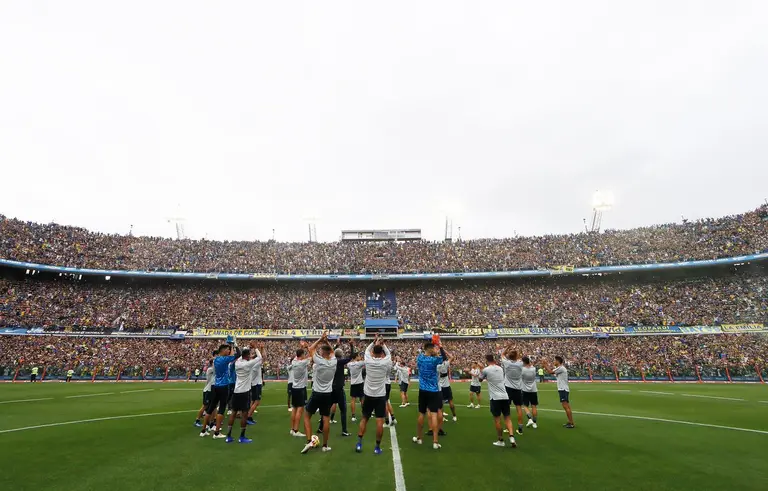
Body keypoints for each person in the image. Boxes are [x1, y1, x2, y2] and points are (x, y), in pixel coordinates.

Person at [356, 336, 393, 455]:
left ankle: (359, 443)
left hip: (368, 394)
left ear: (373, 352)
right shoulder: (385, 361)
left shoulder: (368, 360)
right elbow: (388, 354)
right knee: (379, 421)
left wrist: (374, 342)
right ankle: (377, 447)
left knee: (364, 418)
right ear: (381, 353)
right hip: (380, 395)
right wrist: (383, 344)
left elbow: (367, 350)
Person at [301, 332, 337, 454]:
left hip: (317, 392)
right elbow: (332, 351)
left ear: (324, 353)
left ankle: (308, 441)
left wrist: (321, 339)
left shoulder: (319, 361)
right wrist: (326, 342)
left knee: (307, 416)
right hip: (327, 394)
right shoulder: (334, 361)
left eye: (321, 351)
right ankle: (325, 445)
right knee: (326, 418)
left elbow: (311, 348)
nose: (320, 352)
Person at [413, 341, 448, 450]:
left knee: (421, 413)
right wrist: (440, 348)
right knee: (433, 415)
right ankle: (435, 442)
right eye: (433, 348)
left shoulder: (420, 358)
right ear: (430, 349)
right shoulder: (434, 360)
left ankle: (419, 438)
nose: (434, 349)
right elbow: (444, 358)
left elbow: (420, 353)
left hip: (422, 390)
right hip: (433, 390)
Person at [200, 344, 240, 438]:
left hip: (215, 386)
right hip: (224, 386)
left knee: (210, 408)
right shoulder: (224, 359)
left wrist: (230, 347)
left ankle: (203, 430)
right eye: (227, 350)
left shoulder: (216, 359)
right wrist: (234, 345)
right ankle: (216, 433)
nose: (229, 351)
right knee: (221, 409)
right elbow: (238, 354)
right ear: (223, 350)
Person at [223, 347, 262, 443]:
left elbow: (240, 356)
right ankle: (242, 437)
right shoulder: (248, 364)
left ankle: (228, 436)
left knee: (233, 413)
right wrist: (256, 348)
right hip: (245, 392)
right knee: (244, 414)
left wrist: (239, 348)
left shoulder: (237, 363)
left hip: (236, 391)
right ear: (247, 356)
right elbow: (260, 357)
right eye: (249, 355)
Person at [479, 354, 517, 448]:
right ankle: (511, 437)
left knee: (497, 419)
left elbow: (480, 379)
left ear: (486, 360)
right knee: (507, 418)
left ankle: (500, 440)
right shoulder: (500, 368)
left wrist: (481, 369)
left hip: (495, 397)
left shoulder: (486, 370)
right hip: (505, 396)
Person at [318, 341, 354, 437]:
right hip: (339, 388)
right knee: (343, 410)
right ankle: (344, 430)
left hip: (330, 388)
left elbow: (329, 353)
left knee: (326, 410)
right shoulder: (340, 362)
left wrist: (336, 346)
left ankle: (320, 428)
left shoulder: (331, 361)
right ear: (341, 355)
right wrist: (351, 345)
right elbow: (351, 357)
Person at [544, 356, 574, 428]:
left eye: (555, 360)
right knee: (567, 406)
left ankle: (571, 423)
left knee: (565, 406)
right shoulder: (560, 368)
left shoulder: (561, 368)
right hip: (564, 389)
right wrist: (546, 366)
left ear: (558, 361)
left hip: (563, 389)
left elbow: (550, 372)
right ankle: (570, 422)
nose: (554, 362)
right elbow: (551, 371)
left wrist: (545, 365)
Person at [500, 347, 525, 435]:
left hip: (508, 388)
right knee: (519, 408)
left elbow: (502, 354)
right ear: (516, 356)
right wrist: (518, 351)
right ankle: (520, 428)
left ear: (509, 356)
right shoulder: (520, 363)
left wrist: (508, 347)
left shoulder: (506, 363)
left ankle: (508, 428)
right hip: (518, 388)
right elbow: (521, 357)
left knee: (506, 408)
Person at [289, 344, 311, 438]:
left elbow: (299, 356)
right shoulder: (303, 363)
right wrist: (307, 347)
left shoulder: (294, 361)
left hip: (294, 387)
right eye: (303, 354)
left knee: (294, 408)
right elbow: (312, 356)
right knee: (300, 409)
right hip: (301, 388)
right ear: (301, 355)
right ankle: (296, 430)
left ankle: (292, 429)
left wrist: (302, 348)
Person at [195, 356, 215, 428]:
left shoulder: (212, 369)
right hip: (208, 390)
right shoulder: (210, 369)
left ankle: (209, 422)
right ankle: (197, 420)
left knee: (210, 406)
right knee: (205, 406)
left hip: (210, 389)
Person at [247, 344, 265, 425]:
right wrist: (259, 348)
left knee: (253, 401)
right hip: (257, 384)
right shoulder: (256, 365)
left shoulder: (250, 364)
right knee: (257, 402)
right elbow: (262, 357)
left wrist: (261, 349)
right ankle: (248, 416)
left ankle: (249, 416)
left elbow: (260, 357)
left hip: (253, 384)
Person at [521, 356, 538, 429]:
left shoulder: (522, 370)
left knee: (525, 406)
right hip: (533, 389)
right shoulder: (533, 369)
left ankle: (529, 418)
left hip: (525, 390)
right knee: (534, 406)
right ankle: (534, 423)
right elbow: (532, 365)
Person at [438, 358, 457, 422]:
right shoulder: (445, 364)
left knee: (441, 403)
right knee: (450, 401)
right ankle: (454, 416)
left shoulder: (437, 366)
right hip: (447, 386)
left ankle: (442, 417)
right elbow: (452, 357)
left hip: (440, 387)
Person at [348, 352, 365, 422]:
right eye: (358, 356)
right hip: (360, 383)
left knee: (353, 400)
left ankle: (353, 416)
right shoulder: (359, 363)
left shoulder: (349, 364)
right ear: (356, 356)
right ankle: (364, 414)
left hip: (353, 384)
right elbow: (365, 362)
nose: (360, 357)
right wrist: (360, 359)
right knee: (362, 399)